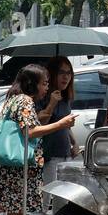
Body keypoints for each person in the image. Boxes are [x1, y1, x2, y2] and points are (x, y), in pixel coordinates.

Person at [0, 63, 77, 215]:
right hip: (19, 168)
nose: (46, 87)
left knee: (15, 214)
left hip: (14, 168)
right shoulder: (24, 101)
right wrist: (60, 124)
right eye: (44, 83)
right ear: (33, 84)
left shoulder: (13, 99)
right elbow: (30, 132)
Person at [37, 56, 80, 188]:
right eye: (61, 73)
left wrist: (74, 142)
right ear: (52, 74)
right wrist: (51, 103)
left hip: (65, 154)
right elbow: (39, 127)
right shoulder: (43, 97)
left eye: (68, 73)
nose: (65, 77)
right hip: (49, 156)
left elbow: (66, 126)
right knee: (46, 196)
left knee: (63, 197)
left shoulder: (65, 98)